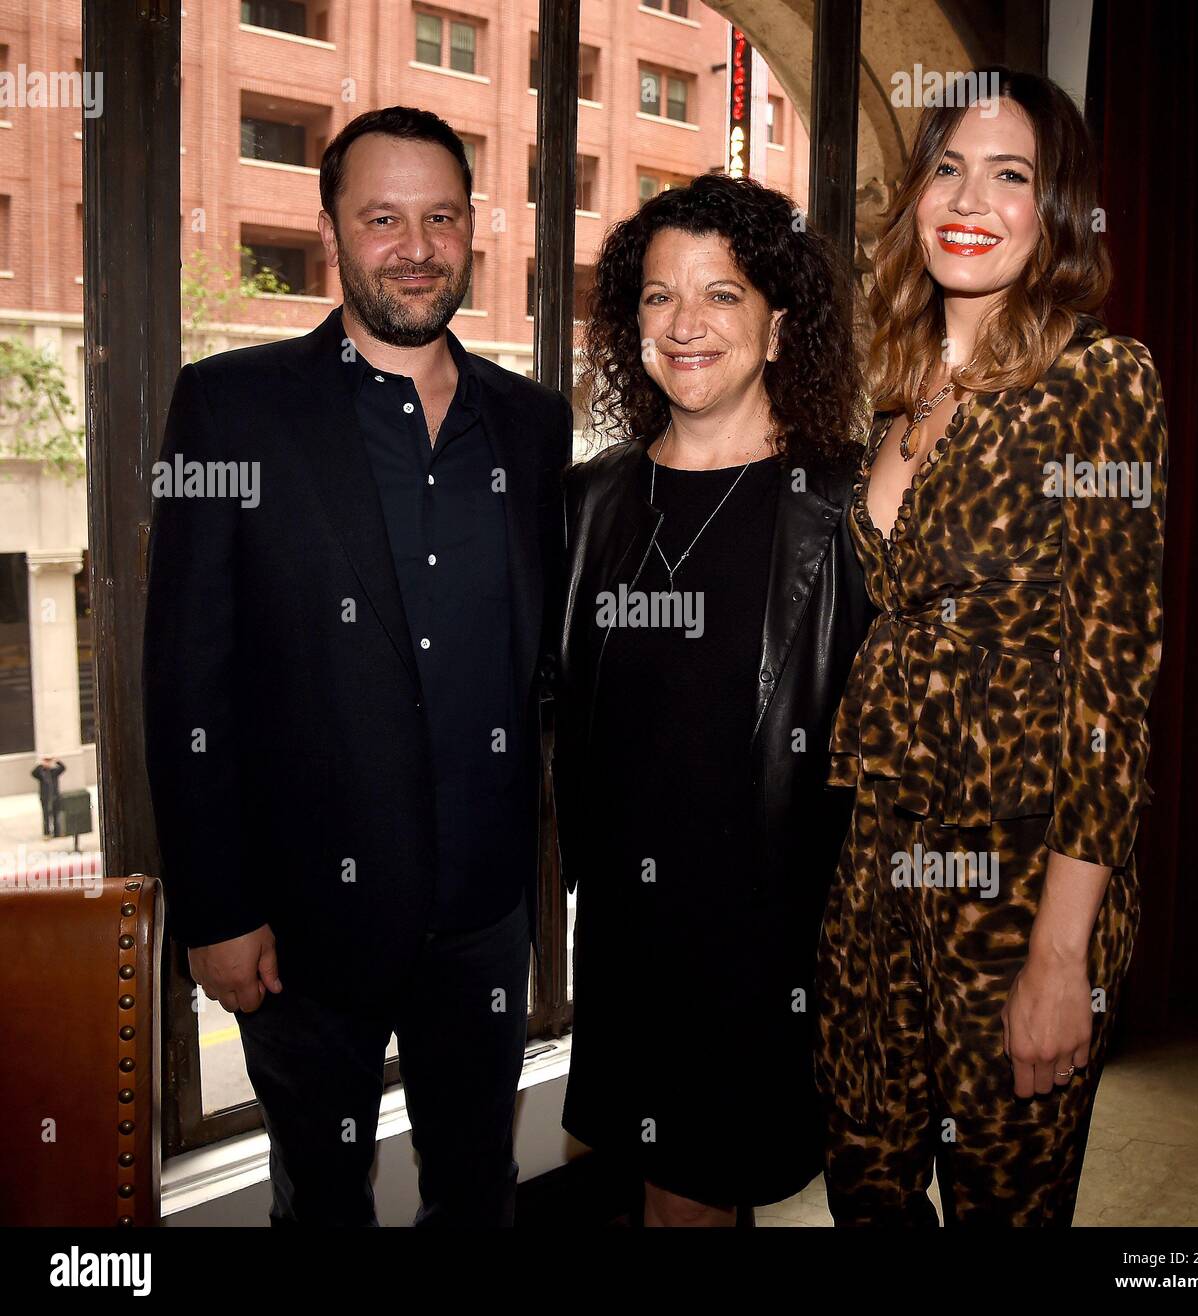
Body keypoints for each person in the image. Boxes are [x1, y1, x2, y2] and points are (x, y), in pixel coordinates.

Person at [142, 106, 569, 1226]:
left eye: (439, 217)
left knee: (478, 1187)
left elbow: (544, 668)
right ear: (330, 227)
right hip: (301, 928)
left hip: (483, 916)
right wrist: (215, 911)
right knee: (322, 1198)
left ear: (474, 229)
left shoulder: (531, 424)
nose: (414, 246)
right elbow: (187, 676)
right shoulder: (230, 407)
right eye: (382, 217)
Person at [815, 67, 1168, 1226]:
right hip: (877, 868)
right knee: (865, 1191)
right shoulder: (897, 388)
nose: (970, 198)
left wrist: (1059, 956)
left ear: (1052, 206)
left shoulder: (1098, 380)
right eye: (948, 167)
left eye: (1009, 173)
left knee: (999, 1210)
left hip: (1019, 882)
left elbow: (1115, 684)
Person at [555, 174, 871, 1226]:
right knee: (652, 1193)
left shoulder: (845, 508)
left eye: (721, 294)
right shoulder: (589, 501)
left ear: (779, 326)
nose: (684, 323)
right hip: (623, 934)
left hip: (763, 944)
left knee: (695, 1199)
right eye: (656, 296)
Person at [31, 756, 65, 837]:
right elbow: (33, 773)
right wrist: (41, 765)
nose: (48, 763)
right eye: (46, 761)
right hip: (45, 797)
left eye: (48, 761)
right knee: (46, 816)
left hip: (55, 796)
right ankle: (47, 833)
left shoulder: (54, 772)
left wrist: (56, 761)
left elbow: (63, 768)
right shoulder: (41, 772)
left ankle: (57, 833)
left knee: (56, 815)